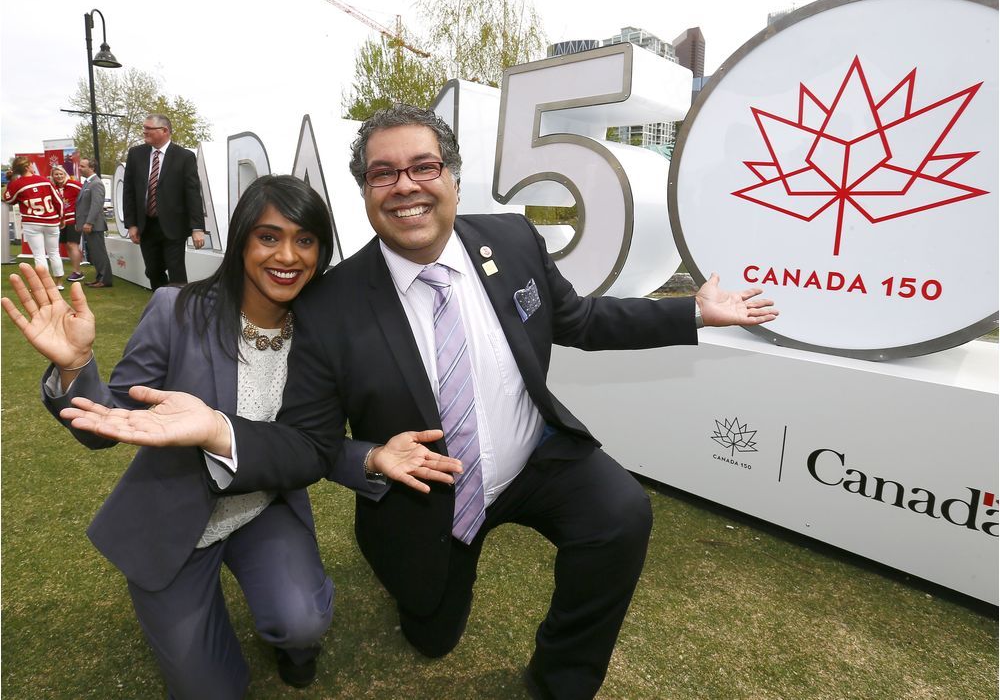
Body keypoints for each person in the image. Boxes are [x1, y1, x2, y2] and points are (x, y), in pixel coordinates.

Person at [57, 106, 778, 700]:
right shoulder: (331, 303)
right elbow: (307, 443)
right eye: (382, 174)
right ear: (365, 193)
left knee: (622, 513)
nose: (405, 186)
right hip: (433, 487)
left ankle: (562, 681)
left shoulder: (513, 240)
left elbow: (581, 320)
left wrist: (692, 314)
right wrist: (256, 434)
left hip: (536, 457)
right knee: (430, 634)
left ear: (452, 178)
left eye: (422, 166)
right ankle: (417, 590)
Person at [1, 174, 460, 699]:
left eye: (304, 239)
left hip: (264, 505)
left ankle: (295, 642)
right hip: (174, 515)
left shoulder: (324, 332)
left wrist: (373, 456)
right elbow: (113, 421)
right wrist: (75, 367)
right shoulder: (177, 309)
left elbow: (312, 445)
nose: (287, 255)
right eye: (268, 236)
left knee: (302, 621)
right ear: (241, 239)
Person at [122, 113, 206, 289]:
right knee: (153, 270)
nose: (144, 132)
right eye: (144, 128)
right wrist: (131, 224)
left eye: (148, 129)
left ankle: (178, 310)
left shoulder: (184, 157)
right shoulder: (136, 154)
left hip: (174, 226)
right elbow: (128, 191)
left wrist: (197, 228)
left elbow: (193, 194)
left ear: (164, 130)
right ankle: (162, 304)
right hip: (146, 225)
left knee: (176, 272)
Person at [3, 156, 64, 289]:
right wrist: (61, 218)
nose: (32, 166)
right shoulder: (45, 181)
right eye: (31, 164)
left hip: (32, 223)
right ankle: (59, 283)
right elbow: (58, 201)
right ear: (27, 167)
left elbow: (8, 199)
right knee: (54, 252)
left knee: (39, 255)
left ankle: (45, 284)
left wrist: (11, 182)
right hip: (51, 221)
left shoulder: (17, 184)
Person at [76, 158, 113, 288]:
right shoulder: (88, 183)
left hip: (94, 225)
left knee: (99, 253)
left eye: (82, 166)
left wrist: (89, 223)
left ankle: (105, 279)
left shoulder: (96, 183)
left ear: (91, 168)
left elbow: (96, 205)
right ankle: (99, 278)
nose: (79, 168)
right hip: (89, 225)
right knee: (95, 254)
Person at [50, 166, 84, 283]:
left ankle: (78, 272)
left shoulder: (73, 184)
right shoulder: (53, 187)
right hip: (61, 221)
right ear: (52, 176)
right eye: (56, 174)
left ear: (65, 174)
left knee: (72, 244)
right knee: (67, 245)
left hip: (74, 220)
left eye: (61, 174)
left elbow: (87, 194)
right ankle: (76, 270)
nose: (59, 176)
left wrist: (82, 214)